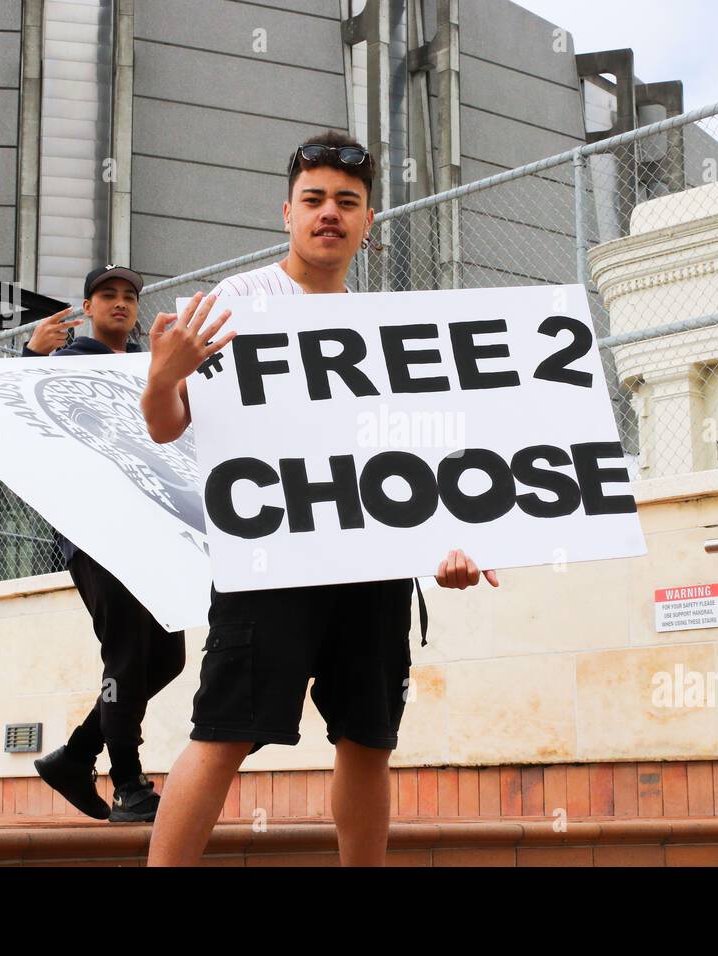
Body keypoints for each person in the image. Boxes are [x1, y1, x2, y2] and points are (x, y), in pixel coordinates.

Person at [140, 130, 499, 866]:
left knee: (368, 741)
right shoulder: (238, 302)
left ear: (368, 223)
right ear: (287, 213)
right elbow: (166, 426)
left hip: (370, 567)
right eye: (314, 200)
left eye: (348, 201)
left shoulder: (388, 329)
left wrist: (447, 549)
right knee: (223, 735)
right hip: (271, 561)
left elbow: (410, 457)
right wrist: (163, 375)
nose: (329, 213)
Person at [26, 266, 187, 823]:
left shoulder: (148, 363)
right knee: (127, 653)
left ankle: (75, 755)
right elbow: (23, 420)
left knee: (166, 656)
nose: (120, 304)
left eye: (129, 297)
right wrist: (30, 356)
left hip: (153, 532)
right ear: (88, 308)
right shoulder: (68, 361)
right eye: (107, 296)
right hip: (98, 532)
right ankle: (129, 784)